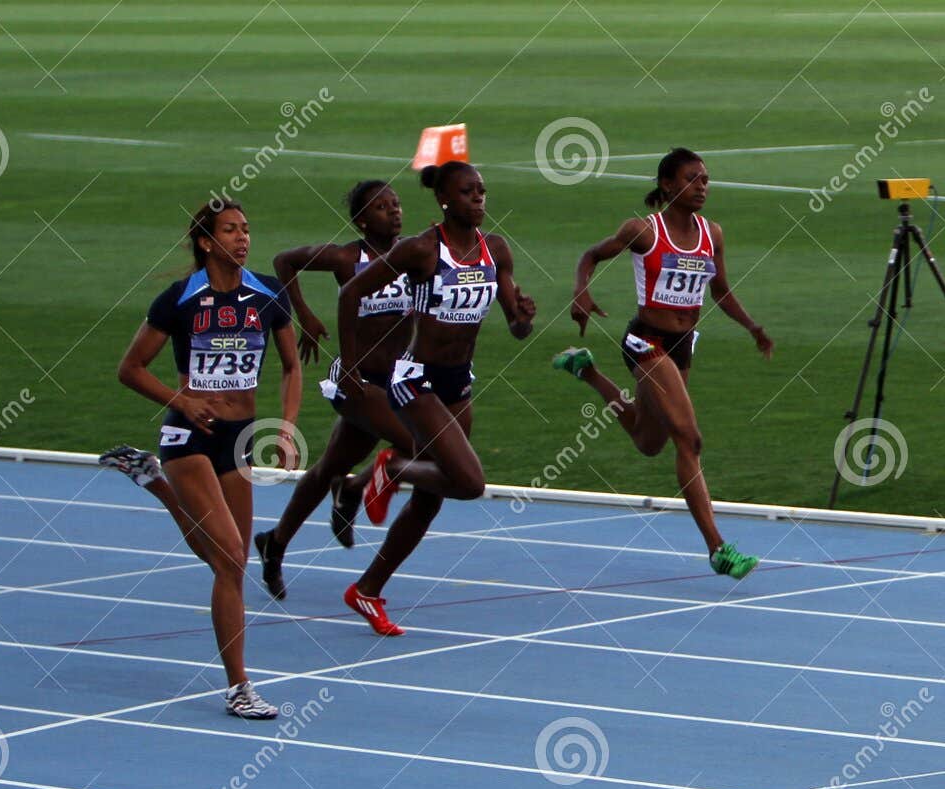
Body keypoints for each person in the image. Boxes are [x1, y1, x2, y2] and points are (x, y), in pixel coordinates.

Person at [115, 200, 301, 718]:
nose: (243, 238)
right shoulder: (180, 299)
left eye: (247, 229)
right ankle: (240, 688)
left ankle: (155, 484)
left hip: (239, 439)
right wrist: (181, 399)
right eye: (230, 230)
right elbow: (131, 368)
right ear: (206, 241)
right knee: (230, 558)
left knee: (229, 565)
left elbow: (291, 367)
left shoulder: (268, 294)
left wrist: (285, 427)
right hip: (190, 435)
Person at [333, 159, 535, 635]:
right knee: (469, 483)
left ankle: (367, 590)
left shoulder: (496, 250)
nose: (478, 198)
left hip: (457, 382)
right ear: (444, 199)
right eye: (467, 192)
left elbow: (516, 327)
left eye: (482, 190)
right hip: (416, 381)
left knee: (430, 500)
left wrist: (523, 317)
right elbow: (350, 295)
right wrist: (351, 367)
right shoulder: (422, 249)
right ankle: (391, 468)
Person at [550, 147, 771, 578]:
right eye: (692, 179)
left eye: (705, 179)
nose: (702, 187)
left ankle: (587, 371)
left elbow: (720, 291)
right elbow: (591, 255)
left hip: (682, 345)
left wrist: (752, 326)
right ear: (668, 185)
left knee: (648, 441)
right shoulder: (643, 231)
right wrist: (581, 292)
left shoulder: (712, 234)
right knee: (689, 438)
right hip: (646, 341)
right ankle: (718, 549)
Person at [250, 180, 417, 600]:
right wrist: (304, 315)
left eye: (396, 204)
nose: (394, 211)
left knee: (328, 468)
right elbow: (284, 260)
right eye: (381, 207)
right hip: (355, 380)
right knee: (417, 444)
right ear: (362, 220)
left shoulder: (412, 256)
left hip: (394, 382)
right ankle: (356, 488)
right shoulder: (346, 258)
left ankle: (275, 542)